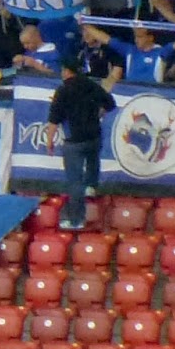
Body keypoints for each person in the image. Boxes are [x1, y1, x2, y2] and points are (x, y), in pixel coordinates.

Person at [45, 56, 119, 231]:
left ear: (66, 71)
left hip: (74, 140)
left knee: (74, 181)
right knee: (93, 160)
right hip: (94, 135)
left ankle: (77, 219)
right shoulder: (92, 85)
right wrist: (98, 114)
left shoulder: (63, 90)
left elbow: (54, 119)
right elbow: (110, 103)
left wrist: (49, 141)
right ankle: (92, 186)